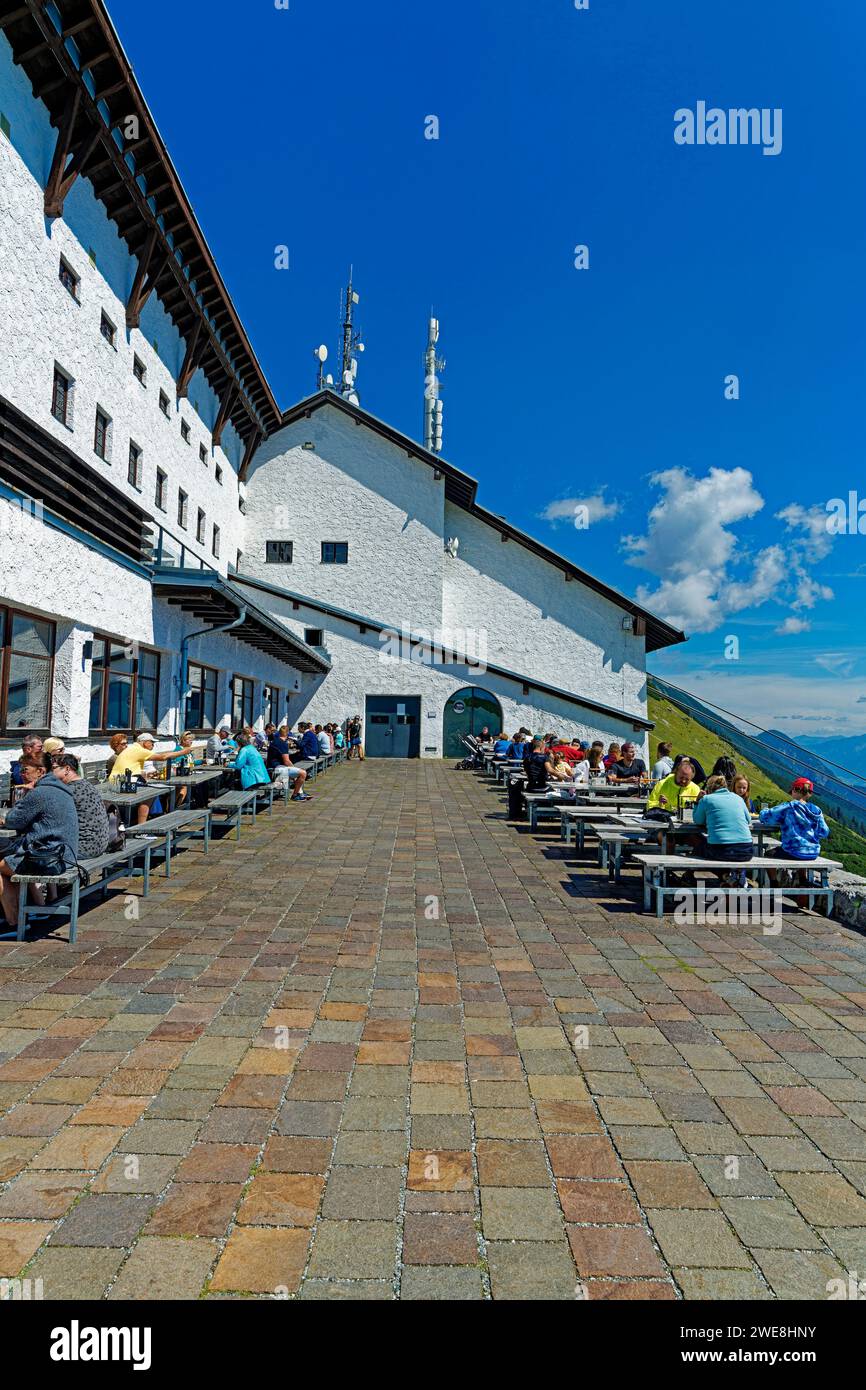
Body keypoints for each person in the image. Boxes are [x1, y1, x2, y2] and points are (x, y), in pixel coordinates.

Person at [0, 764, 79, 927]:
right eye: (20, 771)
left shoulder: (39, 792)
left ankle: (14, 922)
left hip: (52, 856)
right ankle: (35, 909)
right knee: (12, 861)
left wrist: (27, 796)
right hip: (67, 853)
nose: (21, 774)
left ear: (41, 771)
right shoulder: (62, 789)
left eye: (25, 770)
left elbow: (13, 820)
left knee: (4, 865)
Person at [109, 732, 186, 826]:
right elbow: (163, 757)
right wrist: (184, 751)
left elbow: (131, 768)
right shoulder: (138, 749)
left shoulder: (132, 748)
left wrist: (145, 775)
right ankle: (141, 829)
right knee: (150, 794)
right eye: (152, 742)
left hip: (118, 781)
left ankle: (152, 820)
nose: (153, 745)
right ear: (145, 742)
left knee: (153, 789)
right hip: (121, 782)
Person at [692, 774, 755, 886]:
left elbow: (698, 820)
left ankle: (724, 876)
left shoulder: (706, 799)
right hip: (747, 850)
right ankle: (731, 877)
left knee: (698, 847)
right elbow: (748, 820)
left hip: (721, 850)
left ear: (709, 789)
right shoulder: (738, 798)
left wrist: (697, 802)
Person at [760, 778, 829, 872]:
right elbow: (824, 832)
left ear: (795, 790)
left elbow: (766, 817)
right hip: (813, 852)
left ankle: (774, 882)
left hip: (793, 851)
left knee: (768, 854)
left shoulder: (789, 806)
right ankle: (802, 880)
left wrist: (763, 811)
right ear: (810, 793)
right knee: (801, 846)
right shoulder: (817, 810)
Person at [52, 754, 111, 858]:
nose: (50, 773)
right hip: (100, 843)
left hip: (83, 847)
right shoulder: (86, 784)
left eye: (53, 768)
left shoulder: (68, 790)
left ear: (67, 769)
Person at [266, 724, 310, 801]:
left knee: (295, 774)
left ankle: (300, 792)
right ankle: (295, 795)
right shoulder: (283, 744)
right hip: (276, 768)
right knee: (303, 773)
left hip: (273, 766)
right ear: (288, 735)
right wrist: (295, 768)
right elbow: (286, 761)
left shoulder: (276, 741)